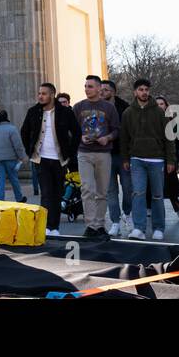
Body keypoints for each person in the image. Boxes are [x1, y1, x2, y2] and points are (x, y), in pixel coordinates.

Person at [21, 82, 82, 237]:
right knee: (46, 193)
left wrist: (71, 154)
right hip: (41, 159)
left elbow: (76, 132)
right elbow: (24, 132)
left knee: (57, 193)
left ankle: (54, 227)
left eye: (44, 93)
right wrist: (30, 151)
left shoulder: (65, 113)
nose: (40, 96)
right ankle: (46, 226)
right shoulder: (33, 112)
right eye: (39, 93)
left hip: (60, 159)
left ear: (52, 95)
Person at [121, 79, 176, 240]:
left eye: (146, 89)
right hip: (136, 159)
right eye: (140, 89)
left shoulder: (159, 112)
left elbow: (169, 138)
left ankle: (159, 227)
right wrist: (125, 158)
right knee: (138, 193)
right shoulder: (128, 113)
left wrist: (171, 160)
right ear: (135, 92)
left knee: (158, 195)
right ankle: (139, 228)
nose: (144, 92)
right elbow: (124, 138)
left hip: (156, 160)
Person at [73, 76, 121, 238]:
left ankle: (100, 225)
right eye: (85, 86)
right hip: (84, 153)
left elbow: (116, 130)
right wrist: (80, 137)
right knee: (87, 189)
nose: (87, 89)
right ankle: (90, 225)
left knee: (102, 191)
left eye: (91, 86)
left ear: (99, 88)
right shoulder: (78, 107)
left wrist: (107, 138)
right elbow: (72, 130)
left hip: (103, 153)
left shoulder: (109, 108)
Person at [100, 79, 133, 236]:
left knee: (127, 188)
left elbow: (129, 132)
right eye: (101, 90)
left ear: (113, 92)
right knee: (111, 191)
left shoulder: (125, 108)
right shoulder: (97, 107)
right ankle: (115, 221)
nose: (102, 92)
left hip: (122, 154)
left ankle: (127, 213)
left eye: (106, 90)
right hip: (105, 154)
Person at [0, 110, 28, 203]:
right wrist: (22, 157)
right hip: (10, 158)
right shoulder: (12, 129)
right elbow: (18, 146)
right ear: (7, 117)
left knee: (0, 181)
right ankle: (19, 197)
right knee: (14, 179)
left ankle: (0, 200)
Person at [154, 96, 179, 218]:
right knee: (153, 186)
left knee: (170, 185)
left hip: (169, 158)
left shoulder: (173, 122)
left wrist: (175, 161)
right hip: (154, 157)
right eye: (157, 104)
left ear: (166, 106)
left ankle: (176, 206)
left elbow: (177, 143)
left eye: (162, 104)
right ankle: (151, 210)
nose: (159, 106)